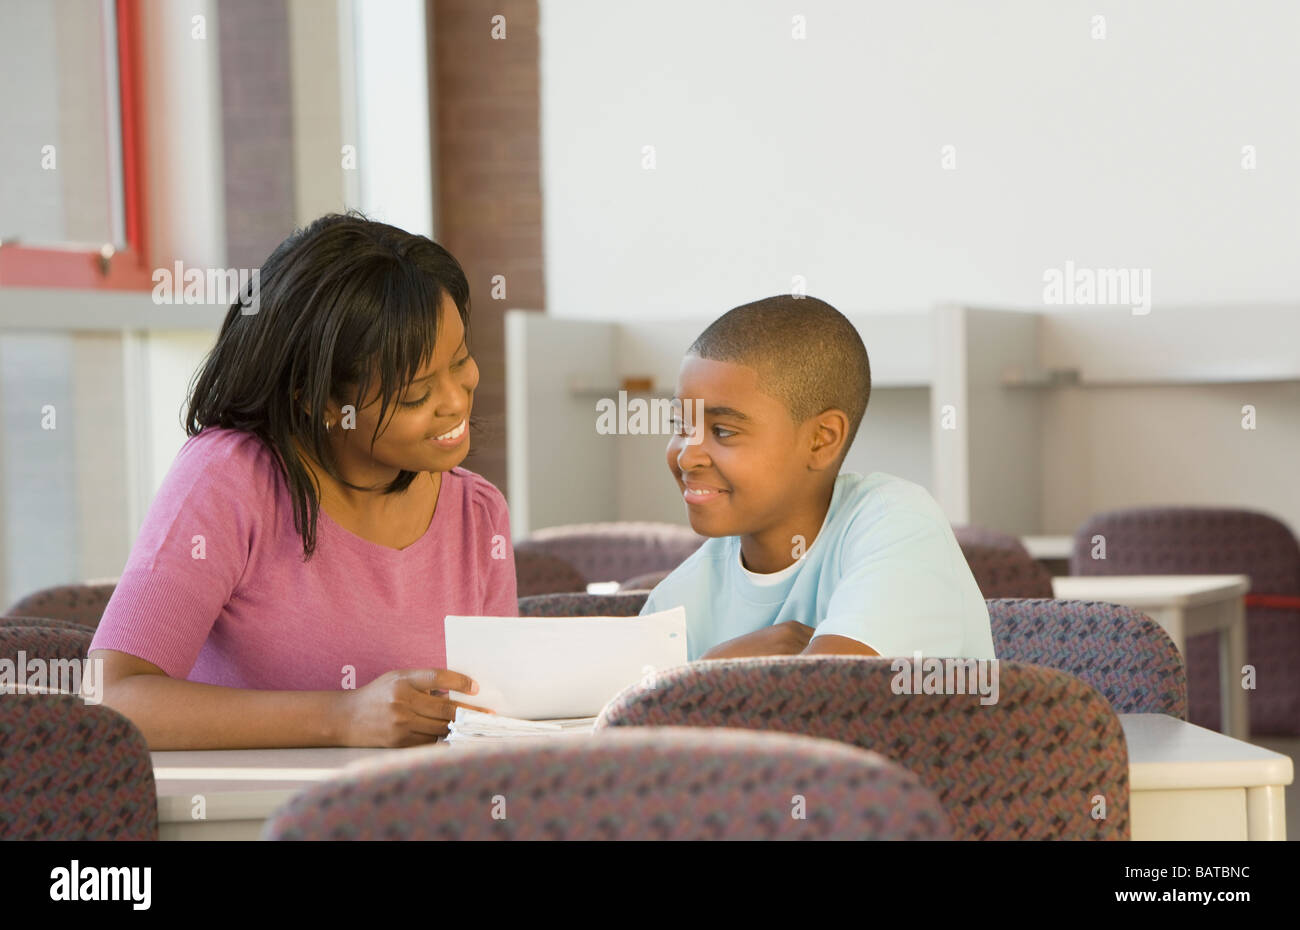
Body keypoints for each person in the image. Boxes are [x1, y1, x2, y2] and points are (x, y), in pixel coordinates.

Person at [88, 213, 514, 749]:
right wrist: (342, 716)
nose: (455, 401)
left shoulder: (477, 512)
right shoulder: (230, 481)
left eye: (462, 362)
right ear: (320, 402)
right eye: (416, 394)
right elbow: (112, 698)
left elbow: (497, 720)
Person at [640, 295, 995, 662]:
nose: (688, 455)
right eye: (680, 425)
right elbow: (626, 711)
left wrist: (697, 674)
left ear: (821, 439)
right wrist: (715, 664)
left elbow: (829, 692)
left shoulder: (899, 523)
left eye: (724, 431)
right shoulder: (674, 603)